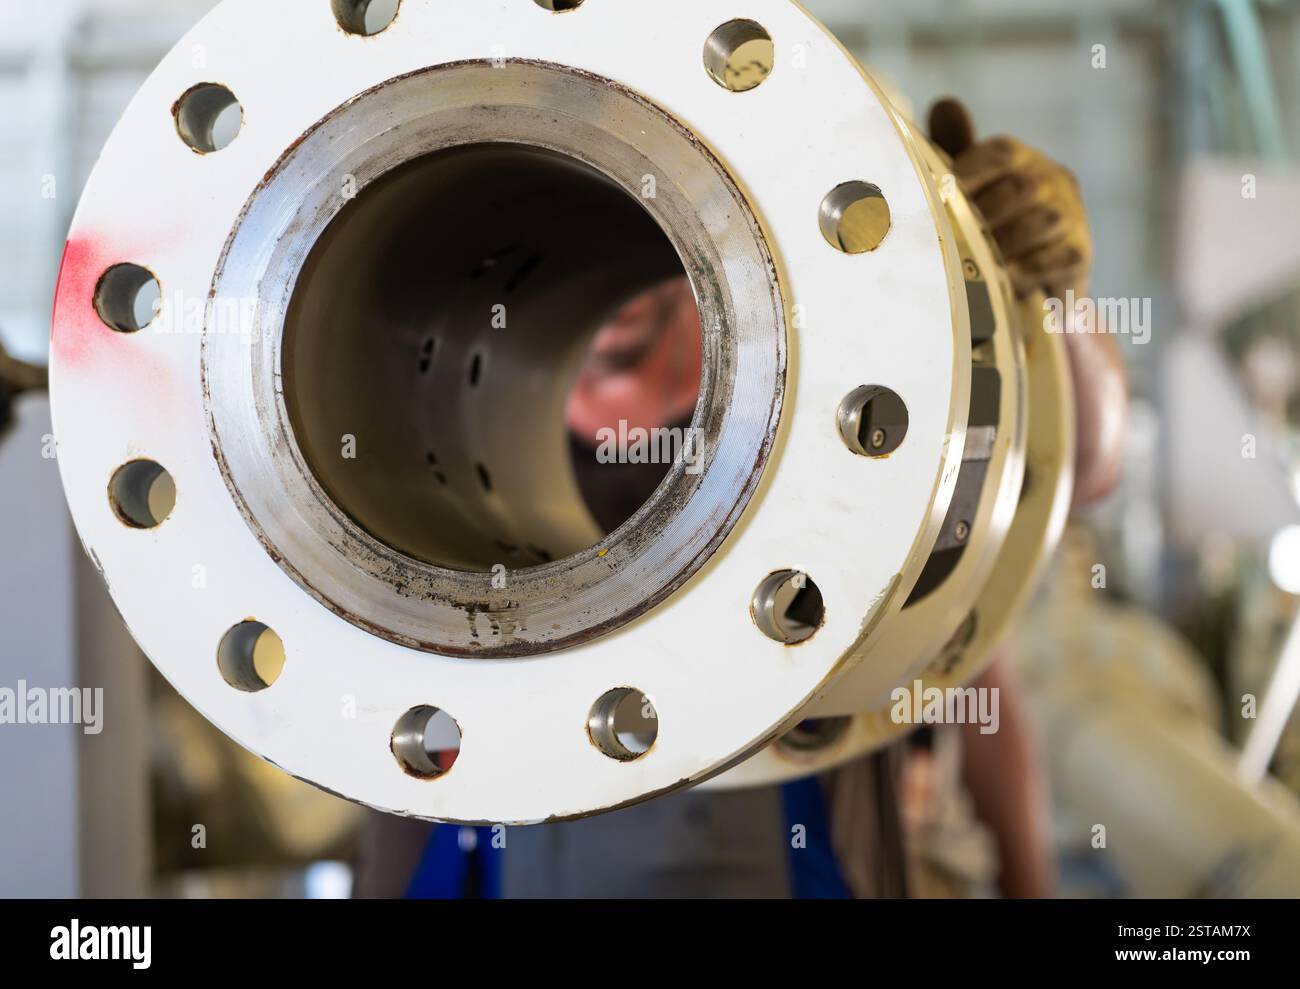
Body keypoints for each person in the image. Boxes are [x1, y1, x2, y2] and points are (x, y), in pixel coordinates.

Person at [352, 99, 1128, 900]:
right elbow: (404, 727)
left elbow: (1086, 464)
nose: (605, 320)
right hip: (517, 840)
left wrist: (1039, 294)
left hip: (804, 828)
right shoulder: (422, 468)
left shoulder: (836, 393)